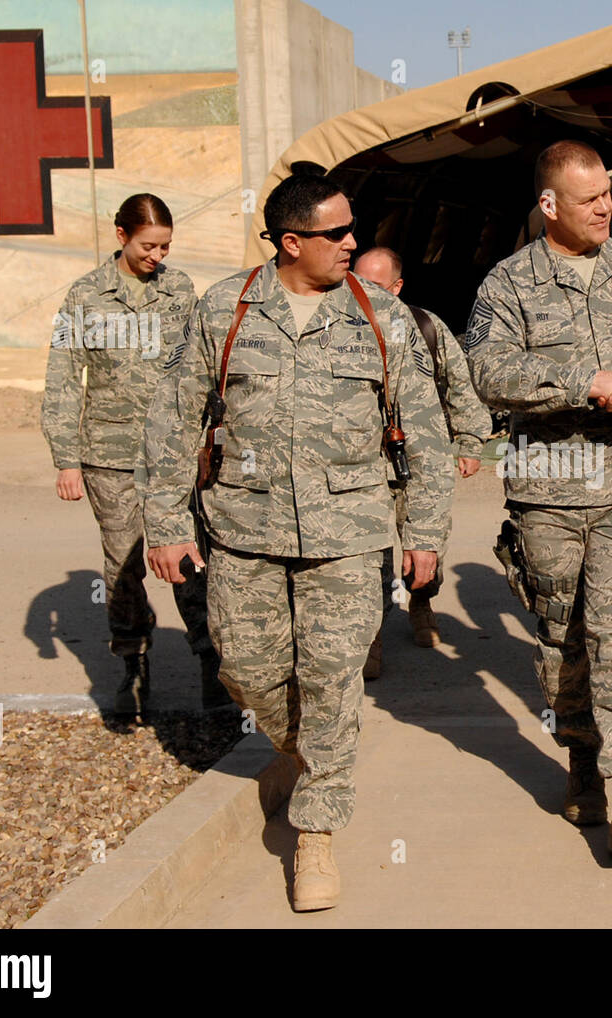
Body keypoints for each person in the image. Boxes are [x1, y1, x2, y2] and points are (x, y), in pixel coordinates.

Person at [142, 173, 453, 911]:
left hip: (348, 536)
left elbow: (427, 433)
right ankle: (302, 755)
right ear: (291, 242)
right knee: (246, 670)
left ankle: (316, 833)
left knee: (333, 681)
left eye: (353, 230)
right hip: (244, 531)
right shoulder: (225, 308)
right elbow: (173, 418)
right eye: (337, 233)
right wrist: (165, 523)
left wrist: (426, 531)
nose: (353, 243)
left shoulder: (382, 316)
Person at [464, 140, 612, 862]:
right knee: (564, 643)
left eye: (608, 194)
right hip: (552, 493)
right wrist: (586, 382)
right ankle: (581, 756)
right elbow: (486, 370)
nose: (604, 207)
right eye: (588, 197)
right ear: (549, 205)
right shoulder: (507, 285)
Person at [41, 193, 221, 719]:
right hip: (109, 454)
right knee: (123, 565)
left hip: (175, 452)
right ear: (121, 236)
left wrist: (210, 439)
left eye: (165, 246)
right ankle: (132, 664)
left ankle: (210, 662)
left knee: (188, 557)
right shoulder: (84, 295)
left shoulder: (181, 288)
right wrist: (66, 458)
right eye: (148, 245)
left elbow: (201, 368)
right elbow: (62, 377)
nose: (157, 256)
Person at [352, 246, 490, 663]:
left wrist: (469, 440)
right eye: (354, 283)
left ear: (397, 287)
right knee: (363, 555)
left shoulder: (425, 326)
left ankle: (421, 604)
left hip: (419, 461)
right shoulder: (338, 327)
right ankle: (370, 633)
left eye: (374, 286)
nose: (361, 294)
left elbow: (459, 383)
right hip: (362, 465)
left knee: (427, 544)